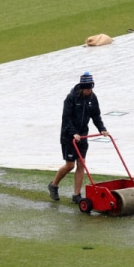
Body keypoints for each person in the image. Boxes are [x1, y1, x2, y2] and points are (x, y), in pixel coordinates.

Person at [48, 72, 108, 204]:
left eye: (91, 88)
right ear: (82, 87)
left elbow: (96, 116)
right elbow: (66, 118)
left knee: (81, 164)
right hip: (69, 135)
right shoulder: (71, 98)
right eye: (87, 88)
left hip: (83, 135)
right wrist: (73, 133)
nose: (89, 90)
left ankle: (76, 195)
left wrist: (102, 129)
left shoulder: (93, 98)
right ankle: (53, 185)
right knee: (70, 165)